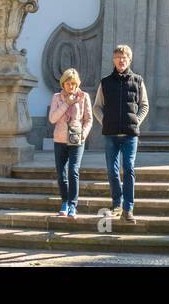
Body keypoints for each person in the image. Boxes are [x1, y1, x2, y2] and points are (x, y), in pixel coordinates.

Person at [92, 44, 149, 224]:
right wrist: (104, 121)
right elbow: (97, 107)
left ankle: (128, 208)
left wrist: (136, 121)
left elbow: (144, 105)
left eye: (124, 57)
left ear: (129, 59)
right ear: (114, 60)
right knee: (112, 170)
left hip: (130, 134)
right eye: (118, 57)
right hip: (111, 134)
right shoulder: (105, 82)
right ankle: (117, 203)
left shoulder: (138, 80)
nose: (121, 60)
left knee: (129, 169)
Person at [47, 69, 93, 218]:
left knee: (73, 171)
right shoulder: (56, 97)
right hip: (60, 139)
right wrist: (66, 103)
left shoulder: (84, 96)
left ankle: (73, 205)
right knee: (61, 173)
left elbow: (88, 119)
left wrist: (83, 135)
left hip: (76, 139)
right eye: (68, 83)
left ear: (77, 83)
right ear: (63, 83)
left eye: (74, 83)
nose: (71, 86)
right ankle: (65, 202)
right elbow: (53, 118)